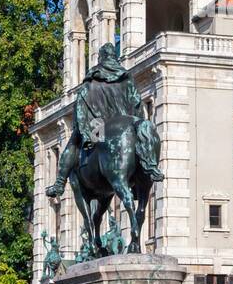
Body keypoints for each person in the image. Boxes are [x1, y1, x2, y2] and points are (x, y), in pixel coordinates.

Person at [46, 43, 163, 198]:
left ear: (100, 58)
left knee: (73, 144)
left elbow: (81, 108)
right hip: (127, 122)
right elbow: (137, 103)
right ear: (114, 57)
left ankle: (59, 183)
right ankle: (138, 181)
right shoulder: (127, 79)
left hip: (98, 124)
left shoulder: (92, 81)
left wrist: (82, 129)